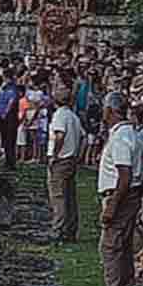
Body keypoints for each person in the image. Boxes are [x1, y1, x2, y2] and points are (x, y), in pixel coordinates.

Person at [97, 92, 143, 286]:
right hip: (127, 196)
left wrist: (112, 206)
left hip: (122, 197)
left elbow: (124, 175)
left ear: (111, 111)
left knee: (111, 247)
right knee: (122, 247)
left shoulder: (122, 138)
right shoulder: (126, 133)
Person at [48, 83, 85, 241]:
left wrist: (54, 155)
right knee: (70, 196)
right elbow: (83, 138)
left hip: (61, 160)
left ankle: (58, 230)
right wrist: (78, 155)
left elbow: (59, 135)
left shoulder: (60, 115)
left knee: (58, 196)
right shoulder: (73, 116)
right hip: (71, 159)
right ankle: (71, 229)